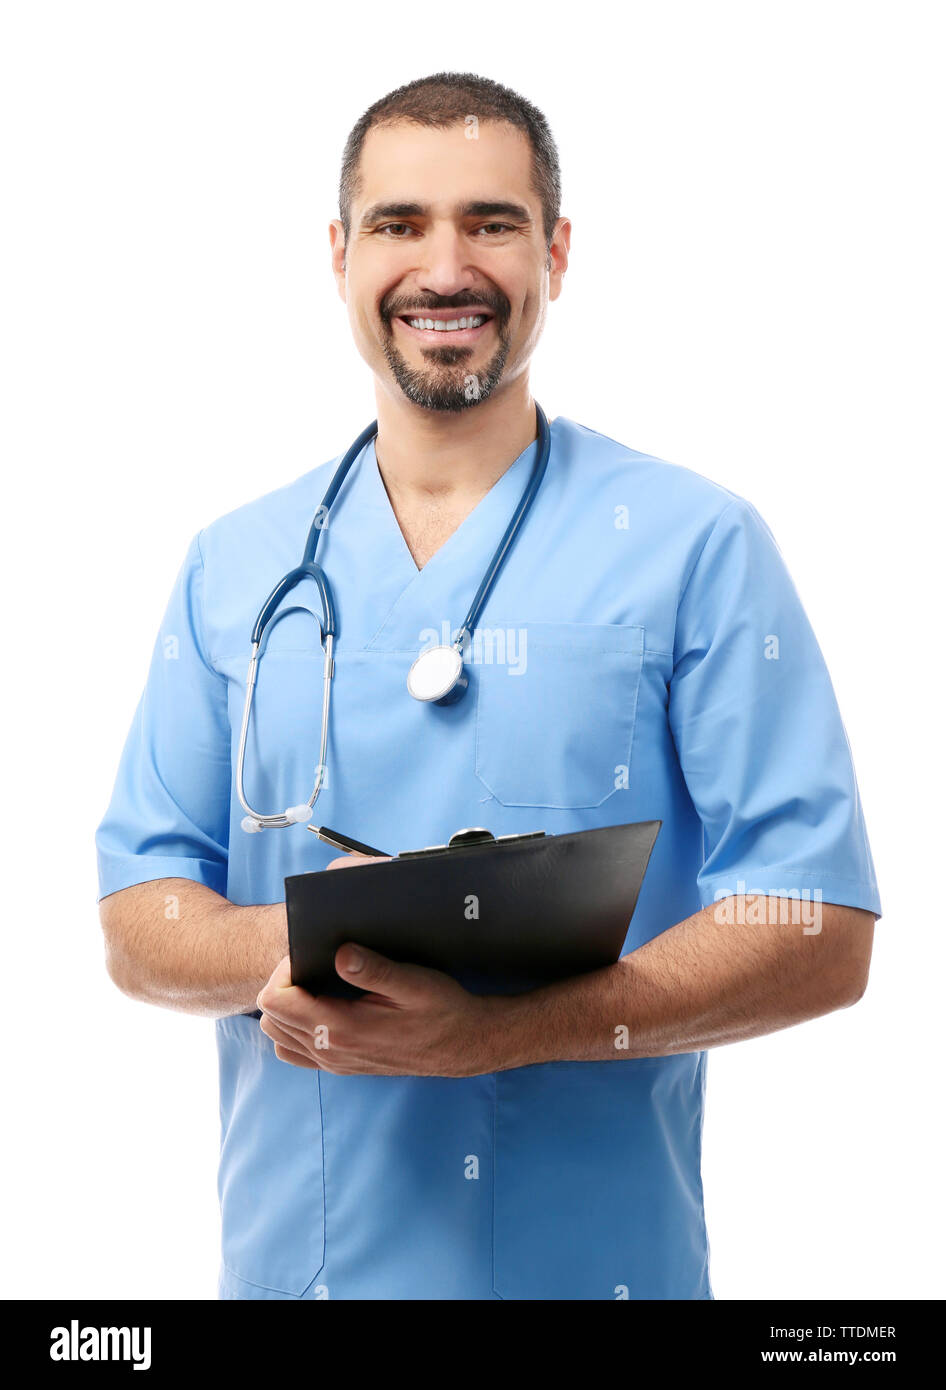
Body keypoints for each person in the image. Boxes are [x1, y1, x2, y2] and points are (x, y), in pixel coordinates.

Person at [96, 71, 881, 1301]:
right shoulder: (235, 566)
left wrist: (497, 1034)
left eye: (492, 222)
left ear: (556, 253)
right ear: (341, 254)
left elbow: (816, 928)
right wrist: (326, 941)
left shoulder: (692, 545)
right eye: (400, 224)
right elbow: (140, 914)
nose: (444, 266)